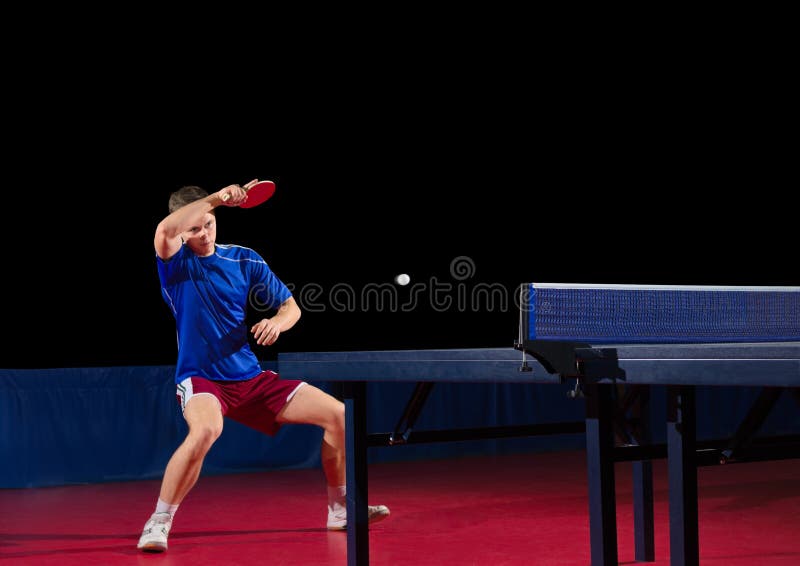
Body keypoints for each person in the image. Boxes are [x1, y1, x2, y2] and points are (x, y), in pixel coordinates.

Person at [137, 180, 389, 552]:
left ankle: (340, 509)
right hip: (202, 377)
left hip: (250, 377)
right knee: (206, 430)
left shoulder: (243, 259)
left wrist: (277, 322)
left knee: (339, 415)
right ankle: (158, 521)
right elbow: (165, 229)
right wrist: (218, 198)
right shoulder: (174, 263)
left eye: (209, 223)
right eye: (194, 228)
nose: (204, 233)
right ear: (183, 231)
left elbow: (292, 307)